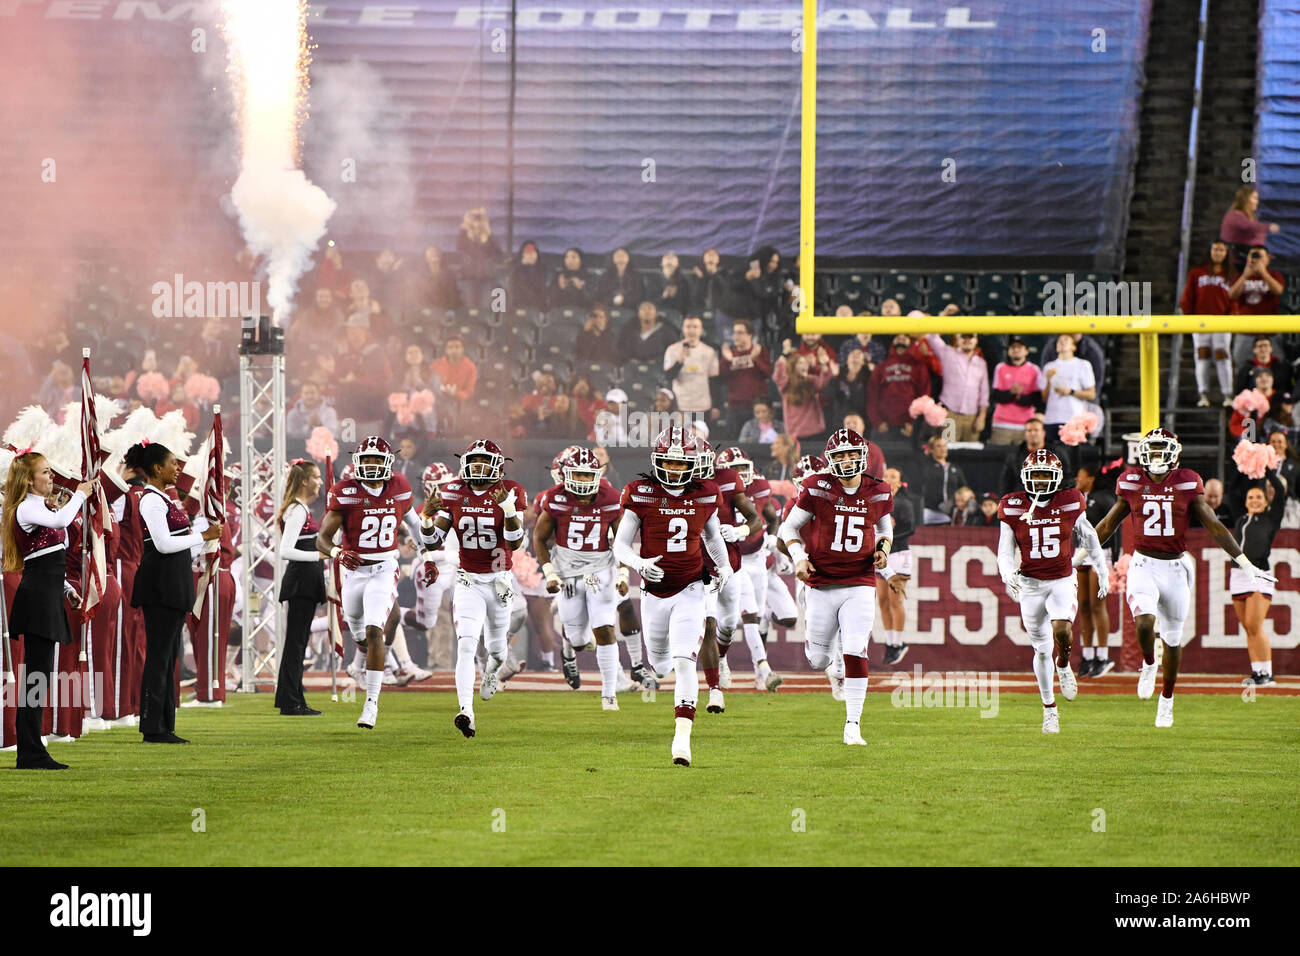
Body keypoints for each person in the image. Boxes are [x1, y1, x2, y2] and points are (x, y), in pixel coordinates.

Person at [1092, 428, 1273, 727]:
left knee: (1174, 642)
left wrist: (1243, 561)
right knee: (1145, 621)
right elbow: (1109, 522)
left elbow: (1214, 525)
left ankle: (1167, 700)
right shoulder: (1132, 481)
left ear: (1174, 453)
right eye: (1153, 449)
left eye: (1163, 449)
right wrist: (1076, 557)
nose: (1157, 455)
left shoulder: (1187, 481)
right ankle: (1149, 663)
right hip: (1143, 565)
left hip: (1175, 568)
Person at [612, 427, 730, 766]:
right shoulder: (640, 492)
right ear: (657, 461)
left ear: (693, 464)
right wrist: (637, 564)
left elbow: (712, 537)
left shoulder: (706, 493)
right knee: (660, 663)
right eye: (670, 463)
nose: (676, 470)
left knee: (683, 661)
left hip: (692, 586)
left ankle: (682, 739)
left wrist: (724, 568)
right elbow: (620, 543)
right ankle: (659, 669)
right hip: (653, 592)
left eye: (682, 464)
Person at [778, 429, 895, 746]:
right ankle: (822, 654)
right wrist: (799, 557)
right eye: (839, 455)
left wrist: (883, 549)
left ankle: (853, 725)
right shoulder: (818, 487)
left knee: (856, 648)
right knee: (818, 660)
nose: (845, 461)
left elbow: (885, 529)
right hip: (821, 582)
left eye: (850, 454)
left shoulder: (879, 490)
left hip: (859, 580)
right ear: (830, 460)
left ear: (862, 456)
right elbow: (789, 526)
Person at [418, 439, 527, 738]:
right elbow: (431, 541)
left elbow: (515, 542)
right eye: (474, 460)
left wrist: (507, 509)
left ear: (497, 466)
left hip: (499, 580)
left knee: (496, 649)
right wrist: (426, 518)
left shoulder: (511, 491)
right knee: (466, 643)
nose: (478, 466)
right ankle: (466, 711)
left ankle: (491, 673)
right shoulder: (453, 490)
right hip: (468, 580)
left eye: (484, 460)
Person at [997, 449, 1108, 734]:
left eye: (1047, 475)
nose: (1042, 481)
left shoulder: (1071, 500)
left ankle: (1065, 662)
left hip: (1061, 578)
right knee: (1041, 649)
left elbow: (1089, 536)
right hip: (1031, 584)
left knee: (1061, 628)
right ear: (1026, 476)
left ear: (1057, 477)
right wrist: (1007, 573)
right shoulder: (1012, 505)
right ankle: (1049, 709)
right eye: (1037, 475)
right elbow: (1004, 549)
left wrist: (1101, 568)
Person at [126, 442, 222, 744]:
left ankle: (164, 724)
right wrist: (201, 535)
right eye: (172, 463)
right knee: (159, 655)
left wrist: (201, 534)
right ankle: (153, 726)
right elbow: (164, 544)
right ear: (157, 468)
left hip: (172, 582)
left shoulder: (165, 499)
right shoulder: (151, 500)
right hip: (160, 584)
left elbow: (178, 540)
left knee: (169, 656)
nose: (177, 468)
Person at [316, 437, 414, 731]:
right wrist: (338, 553)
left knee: (375, 631)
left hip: (384, 569)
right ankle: (361, 660)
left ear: (388, 462)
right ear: (357, 462)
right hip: (354, 573)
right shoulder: (345, 492)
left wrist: (427, 551)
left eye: (376, 459)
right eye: (366, 459)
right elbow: (321, 539)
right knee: (359, 633)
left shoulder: (399, 486)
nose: (371, 465)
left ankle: (371, 704)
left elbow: (412, 521)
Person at [2, 454, 93, 769]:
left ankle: (31, 748)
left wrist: (67, 590)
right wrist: (81, 493)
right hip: (37, 598)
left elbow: (53, 554)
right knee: (35, 677)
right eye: (45, 472)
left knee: (39, 675)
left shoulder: (42, 507)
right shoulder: (26, 507)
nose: (51, 477)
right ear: (29, 480)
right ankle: (30, 751)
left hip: (48, 594)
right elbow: (60, 523)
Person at [532, 448, 625, 707]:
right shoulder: (554, 498)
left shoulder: (611, 498)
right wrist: (550, 572)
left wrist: (623, 572)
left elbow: (623, 540)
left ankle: (609, 695)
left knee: (605, 628)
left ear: (597, 475)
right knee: (580, 641)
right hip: (569, 573)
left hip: (599, 571)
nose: (583, 481)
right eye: (578, 475)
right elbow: (539, 538)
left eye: (587, 475)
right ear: (566, 475)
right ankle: (569, 648)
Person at [695, 443, 768, 717]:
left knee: (728, 625)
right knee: (709, 624)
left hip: (731, 565)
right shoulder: (677, 487)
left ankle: (721, 658)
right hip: (698, 568)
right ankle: (714, 689)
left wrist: (740, 531)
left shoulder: (727, 479)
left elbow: (756, 519)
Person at [276, 460, 326, 716]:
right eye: (316, 477)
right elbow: (285, 550)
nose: (320, 481)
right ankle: (290, 701)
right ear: (304, 480)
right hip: (300, 583)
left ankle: (294, 698)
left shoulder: (301, 508)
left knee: (299, 641)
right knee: (296, 642)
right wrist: (320, 556)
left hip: (305, 582)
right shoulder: (297, 510)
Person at [1232, 470, 1287, 686]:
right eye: (1251, 497)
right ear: (1245, 502)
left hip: (1260, 574)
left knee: (1254, 625)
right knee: (1248, 628)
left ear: (1266, 501)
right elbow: (1233, 489)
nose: (1254, 500)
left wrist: (1267, 471)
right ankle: (1257, 672)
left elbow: (1280, 492)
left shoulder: (1271, 519)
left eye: (1259, 497)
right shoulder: (1241, 517)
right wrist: (1242, 466)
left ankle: (1267, 673)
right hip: (1237, 575)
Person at [1180, 240, 1237, 407]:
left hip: (1222, 321)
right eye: (1215, 249)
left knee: (1223, 356)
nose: (1218, 253)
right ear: (1210, 251)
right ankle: (1203, 394)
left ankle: (1227, 394)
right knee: (1202, 357)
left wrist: (1232, 315)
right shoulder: (1197, 273)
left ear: (1226, 253)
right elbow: (1188, 296)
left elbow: (1234, 298)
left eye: (1221, 250)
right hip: (1200, 322)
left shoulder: (1230, 275)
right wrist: (1189, 315)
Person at [1073, 464, 1116, 678]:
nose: (1076, 478)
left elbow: (1112, 526)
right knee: (1084, 606)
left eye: (1080, 474)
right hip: (1079, 552)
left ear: (1090, 477)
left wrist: (1115, 559)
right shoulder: (1077, 497)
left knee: (1098, 605)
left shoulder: (1103, 498)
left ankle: (1103, 655)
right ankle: (1088, 656)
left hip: (1100, 553)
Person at [877, 467, 914, 666]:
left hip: (898, 554)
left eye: (893, 476)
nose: (888, 479)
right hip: (882, 556)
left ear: (900, 482)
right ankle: (890, 642)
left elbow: (910, 528)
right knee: (882, 600)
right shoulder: (878, 500)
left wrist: (886, 539)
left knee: (895, 601)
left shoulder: (903, 503)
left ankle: (898, 643)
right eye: (886, 476)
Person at [924, 333, 989, 442]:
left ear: (976, 340)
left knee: (972, 454)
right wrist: (944, 315)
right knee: (948, 450)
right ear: (958, 340)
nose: (967, 340)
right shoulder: (948, 354)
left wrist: (981, 417)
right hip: (950, 415)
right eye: (964, 337)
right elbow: (932, 336)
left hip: (972, 417)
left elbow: (984, 394)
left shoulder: (981, 363)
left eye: (971, 337)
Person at [867, 334, 929, 437]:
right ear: (892, 342)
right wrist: (877, 422)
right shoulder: (880, 367)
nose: (901, 340)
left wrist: (913, 422)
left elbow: (924, 396)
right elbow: (872, 396)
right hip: (883, 426)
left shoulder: (919, 367)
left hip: (910, 427)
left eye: (904, 338)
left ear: (910, 342)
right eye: (898, 338)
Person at [1041, 334, 1096, 444]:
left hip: (1073, 419)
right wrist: (1047, 380)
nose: (1061, 342)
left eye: (1066, 340)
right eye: (1059, 340)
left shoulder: (1083, 365)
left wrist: (1070, 392)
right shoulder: (1048, 367)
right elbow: (1044, 398)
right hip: (1051, 419)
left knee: (1072, 456)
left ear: (1073, 347)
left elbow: (1091, 394)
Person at [989, 336, 1044, 445]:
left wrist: (1019, 396)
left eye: (1020, 347)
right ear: (1008, 351)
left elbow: (1037, 399)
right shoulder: (1001, 368)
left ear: (1026, 351)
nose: (1016, 350)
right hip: (1002, 423)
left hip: (1026, 424)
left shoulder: (1034, 370)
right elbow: (995, 396)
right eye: (1013, 347)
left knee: (1023, 459)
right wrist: (1011, 392)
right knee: (999, 457)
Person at [663, 316, 719, 418]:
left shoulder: (709, 351)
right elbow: (668, 376)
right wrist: (680, 361)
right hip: (680, 406)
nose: (691, 330)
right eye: (688, 326)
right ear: (683, 329)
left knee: (701, 434)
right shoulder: (672, 349)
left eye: (695, 327)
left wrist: (715, 405)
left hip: (703, 406)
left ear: (701, 330)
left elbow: (714, 381)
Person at [999, 418, 1070, 495]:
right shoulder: (1014, 455)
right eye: (1029, 430)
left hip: (1052, 498)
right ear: (1025, 434)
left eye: (1036, 430)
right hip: (1023, 499)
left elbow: (1067, 478)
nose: (1033, 433)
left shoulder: (1057, 453)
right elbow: (1006, 482)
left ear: (1043, 432)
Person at [772, 352, 832, 442]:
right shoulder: (787, 384)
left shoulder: (811, 380)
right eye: (800, 363)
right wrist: (782, 359)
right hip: (795, 433)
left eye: (805, 363)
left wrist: (824, 365)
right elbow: (778, 377)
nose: (804, 365)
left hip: (815, 432)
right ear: (793, 366)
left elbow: (824, 384)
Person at [719, 320, 772, 421]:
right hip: (735, 407)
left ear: (750, 335)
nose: (735, 336)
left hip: (756, 407)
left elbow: (767, 374)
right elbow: (722, 377)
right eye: (734, 332)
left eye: (740, 333)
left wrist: (755, 359)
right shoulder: (729, 354)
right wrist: (728, 360)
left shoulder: (760, 352)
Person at [1219, 185, 1281, 269]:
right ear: (1245, 199)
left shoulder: (1249, 217)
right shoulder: (1235, 215)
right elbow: (1248, 226)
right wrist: (1268, 227)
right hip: (1238, 259)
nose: (1257, 202)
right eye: (1254, 198)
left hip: (1249, 258)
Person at [456, 207, 503, 308]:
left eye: (479, 217)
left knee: (485, 308)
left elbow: (499, 252)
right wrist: (465, 225)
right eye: (474, 216)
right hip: (468, 278)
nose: (477, 219)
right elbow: (459, 246)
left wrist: (488, 229)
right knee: (469, 308)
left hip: (486, 278)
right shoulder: (465, 235)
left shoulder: (488, 236)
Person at [920, 436, 967, 524]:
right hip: (930, 511)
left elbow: (963, 489)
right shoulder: (925, 467)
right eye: (939, 446)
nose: (943, 449)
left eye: (945, 446)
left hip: (950, 512)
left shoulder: (954, 468)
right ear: (931, 449)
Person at [508, 240, 548, 311]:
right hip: (519, 305)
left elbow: (540, 288)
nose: (530, 254)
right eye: (528, 252)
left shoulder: (543, 269)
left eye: (533, 252)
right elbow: (515, 288)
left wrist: (531, 267)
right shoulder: (516, 269)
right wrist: (523, 266)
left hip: (538, 305)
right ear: (523, 254)